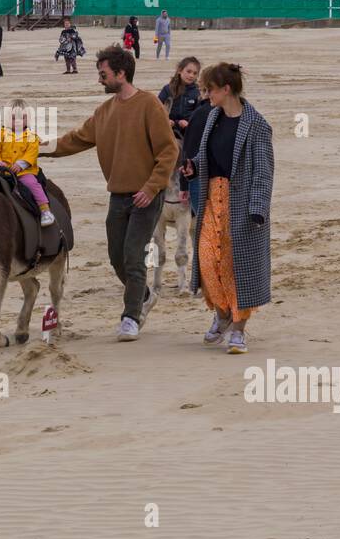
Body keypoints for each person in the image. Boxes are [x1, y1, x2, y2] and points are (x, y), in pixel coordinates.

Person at [41, 46, 178, 342]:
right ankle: (142, 295)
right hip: (118, 196)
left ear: (121, 73)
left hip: (147, 196)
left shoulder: (149, 105)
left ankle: (130, 318)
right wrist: (37, 149)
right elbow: (75, 139)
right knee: (116, 257)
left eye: (103, 74)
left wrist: (151, 187)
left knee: (132, 255)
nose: (99, 80)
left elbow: (169, 151)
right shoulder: (104, 112)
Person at [181, 62, 273, 355]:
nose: (206, 95)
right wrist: (193, 168)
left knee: (237, 267)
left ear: (226, 89)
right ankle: (221, 313)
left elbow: (263, 170)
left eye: (210, 90)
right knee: (208, 261)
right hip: (212, 198)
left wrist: (257, 207)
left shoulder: (257, 124)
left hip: (241, 203)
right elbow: (206, 156)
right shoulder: (212, 119)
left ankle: (238, 329)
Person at [0, 98, 55, 226]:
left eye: (23, 118)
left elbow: (32, 152)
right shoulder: (1, 135)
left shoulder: (32, 137)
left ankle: (45, 210)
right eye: (14, 118)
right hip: (2, 170)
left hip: (24, 172)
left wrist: (22, 164)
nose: (19, 121)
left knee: (33, 185)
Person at [158, 56, 202, 141]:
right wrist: (166, 120)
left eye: (195, 73)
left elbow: (199, 114)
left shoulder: (198, 92)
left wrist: (189, 123)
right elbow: (156, 109)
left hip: (189, 133)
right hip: (169, 131)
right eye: (188, 71)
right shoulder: (168, 89)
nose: (191, 75)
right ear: (179, 70)